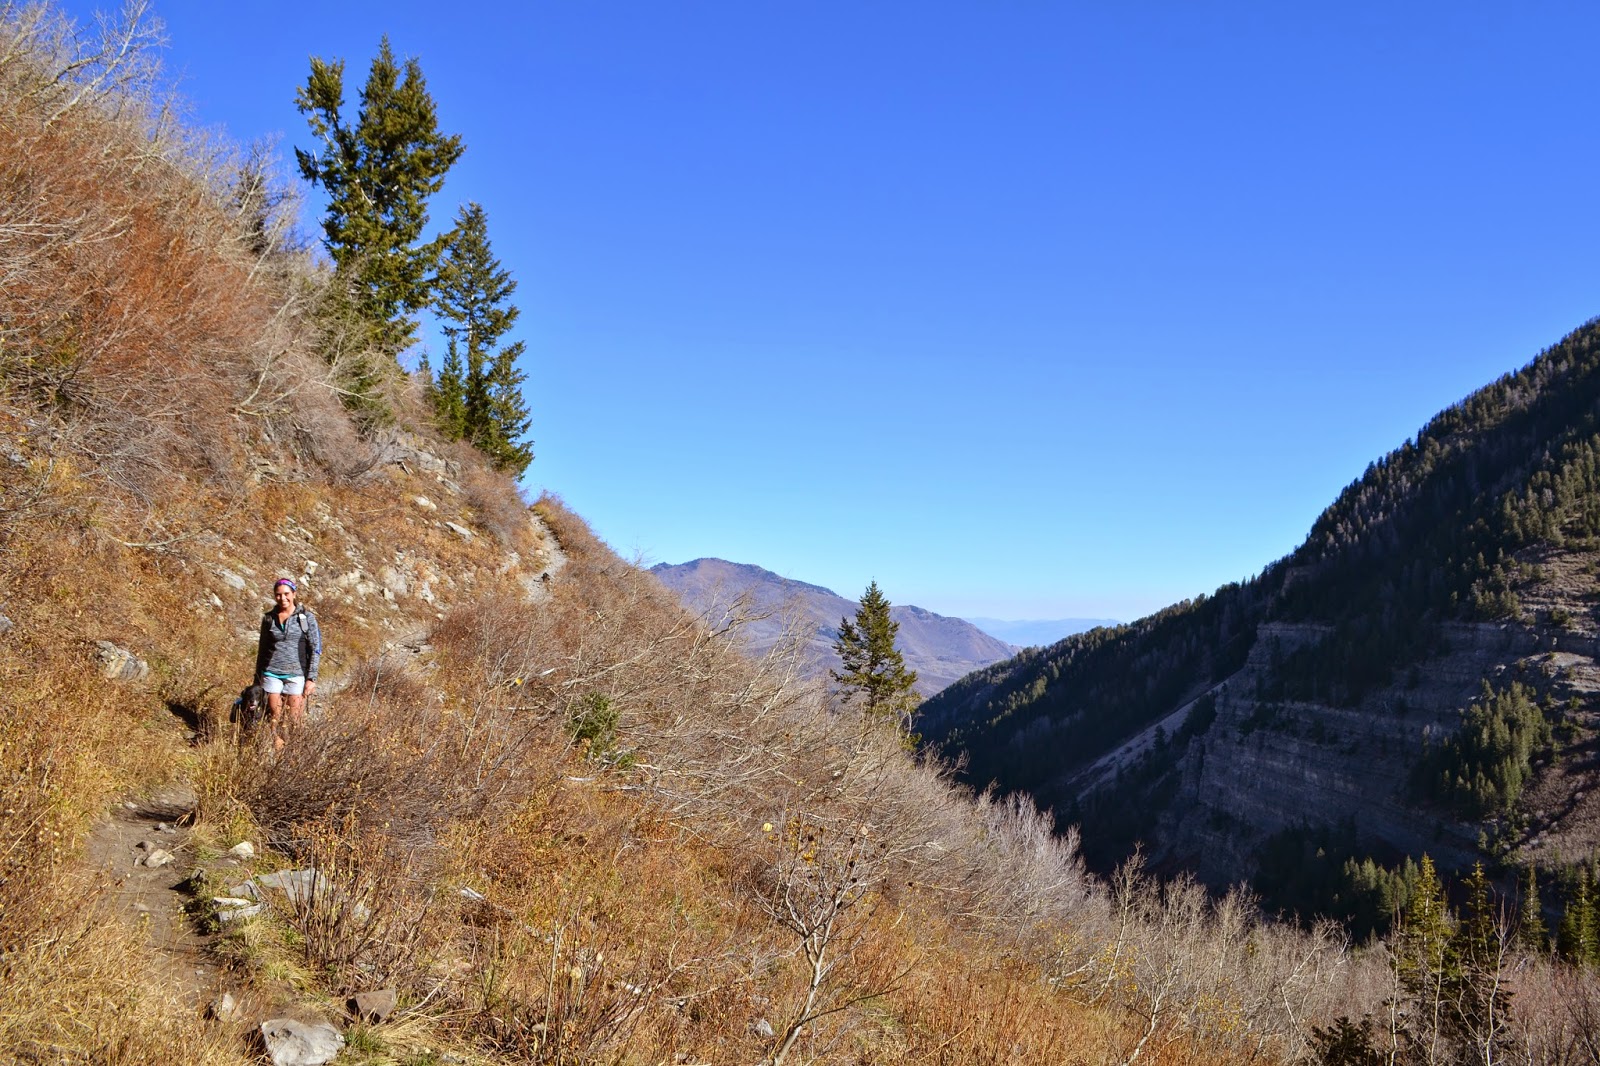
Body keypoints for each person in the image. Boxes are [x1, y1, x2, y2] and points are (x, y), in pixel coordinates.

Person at [254, 577, 321, 750]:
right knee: (274, 716)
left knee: (294, 718)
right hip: (271, 672)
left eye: (286, 594)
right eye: (278, 595)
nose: (282, 598)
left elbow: (315, 648)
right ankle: (277, 750)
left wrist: (311, 678)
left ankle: (295, 751)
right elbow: (262, 649)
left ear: (294, 594)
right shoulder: (268, 619)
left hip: (296, 673)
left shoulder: (305, 618)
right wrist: (257, 678)